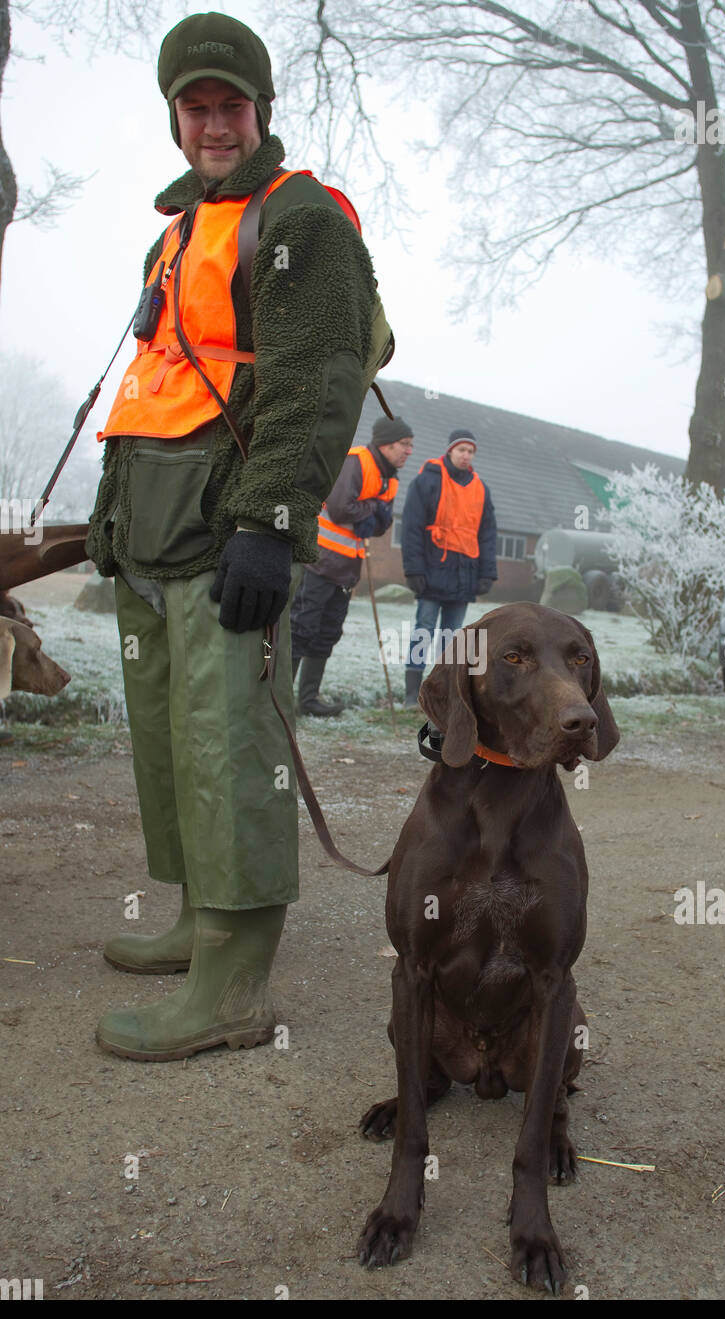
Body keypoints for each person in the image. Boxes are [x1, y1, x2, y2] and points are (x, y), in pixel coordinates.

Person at [83, 12, 386, 1061]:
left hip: (226, 536)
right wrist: (110, 516)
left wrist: (268, 526)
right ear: (174, 117)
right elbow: (156, 383)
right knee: (172, 746)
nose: (214, 124)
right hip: (156, 530)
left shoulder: (297, 216)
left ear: (260, 110)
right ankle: (195, 924)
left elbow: (315, 383)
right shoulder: (175, 231)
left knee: (228, 751)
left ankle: (234, 986)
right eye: (194, 106)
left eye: (230, 105)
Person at [289, 416, 413, 716]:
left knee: (328, 632)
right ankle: (278, 699)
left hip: (347, 567)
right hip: (320, 560)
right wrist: (373, 509)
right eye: (404, 445)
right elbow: (341, 508)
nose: (408, 451)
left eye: (410, 445)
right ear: (386, 443)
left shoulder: (391, 478)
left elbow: (382, 525)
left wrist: (370, 514)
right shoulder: (356, 461)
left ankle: (308, 701)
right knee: (302, 629)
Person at [401, 429, 497, 707]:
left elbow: (488, 534)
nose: (466, 456)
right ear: (450, 450)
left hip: (464, 575)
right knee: (424, 630)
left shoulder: (481, 489)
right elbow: (411, 528)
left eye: (470, 451)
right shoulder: (426, 481)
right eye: (461, 450)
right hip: (431, 571)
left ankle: (445, 694)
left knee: (453, 638)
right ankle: (412, 694)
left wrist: (487, 573)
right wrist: (413, 570)